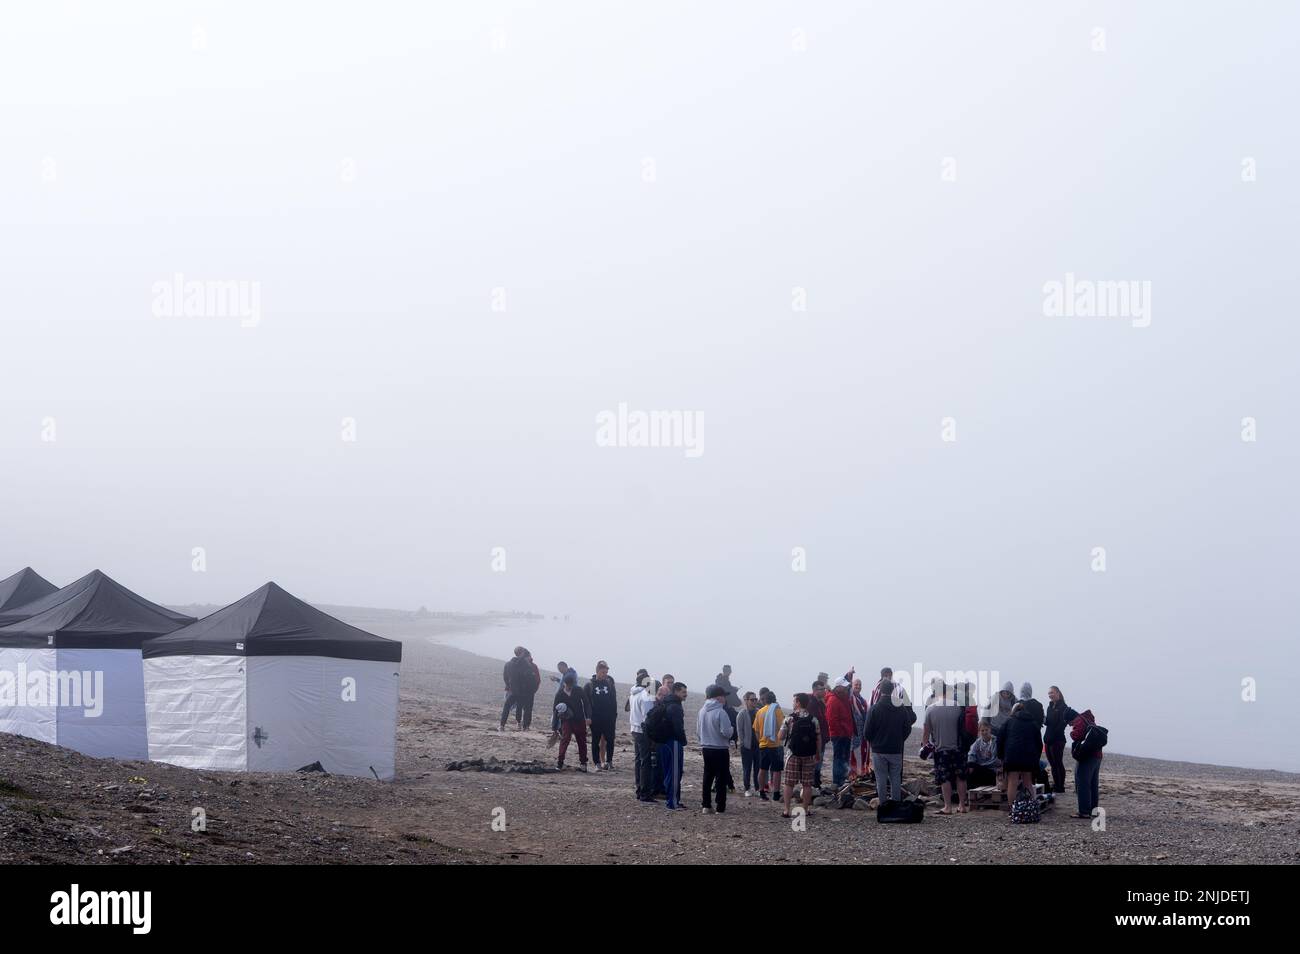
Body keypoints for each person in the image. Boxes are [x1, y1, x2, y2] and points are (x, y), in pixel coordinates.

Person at [862, 681, 915, 803]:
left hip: (879, 750)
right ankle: (895, 805)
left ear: (880, 691)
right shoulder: (900, 708)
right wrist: (900, 740)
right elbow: (907, 727)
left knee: (881, 779)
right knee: (895, 778)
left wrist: (874, 742)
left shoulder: (875, 708)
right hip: (895, 749)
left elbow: (867, 732)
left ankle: (883, 805)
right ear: (893, 691)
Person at [922, 682, 968, 814]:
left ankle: (948, 807)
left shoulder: (930, 709)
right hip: (959, 748)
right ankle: (962, 805)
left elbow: (926, 732)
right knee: (961, 777)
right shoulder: (958, 707)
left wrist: (925, 747)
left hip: (941, 749)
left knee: (945, 778)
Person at [778, 692, 822, 819]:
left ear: (798, 703)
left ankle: (786, 810)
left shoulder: (789, 718)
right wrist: (817, 754)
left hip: (793, 754)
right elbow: (818, 738)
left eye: (794, 701)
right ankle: (805, 809)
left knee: (789, 783)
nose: (793, 703)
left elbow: (780, 737)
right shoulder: (813, 719)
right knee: (807, 784)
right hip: (808, 755)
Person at [998, 699, 1044, 811]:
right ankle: (1032, 807)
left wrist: (1001, 756)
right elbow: (1039, 743)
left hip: (1012, 757)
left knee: (1012, 782)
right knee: (1028, 782)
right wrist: (1036, 758)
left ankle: (1012, 809)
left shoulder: (1008, 721)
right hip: (1028, 758)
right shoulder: (1033, 723)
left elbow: (1000, 739)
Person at [698, 685, 733, 814]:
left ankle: (706, 805)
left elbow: (698, 731)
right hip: (720, 748)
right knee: (721, 777)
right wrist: (732, 730)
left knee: (707, 776)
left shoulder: (702, 710)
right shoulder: (720, 712)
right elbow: (726, 732)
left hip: (706, 747)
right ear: (718, 697)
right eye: (724, 696)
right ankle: (720, 806)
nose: (725, 699)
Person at [553, 670, 591, 771]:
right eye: (568, 685)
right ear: (564, 683)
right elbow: (555, 709)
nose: (569, 687)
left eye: (571, 685)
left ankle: (583, 763)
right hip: (567, 720)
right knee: (565, 739)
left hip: (579, 720)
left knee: (581, 741)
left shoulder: (578, 690)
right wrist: (554, 726)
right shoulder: (560, 693)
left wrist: (588, 717)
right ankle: (560, 762)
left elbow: (586, 703)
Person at [1043, 686, 1078, 794]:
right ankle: (1056, 784)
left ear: (1058, 693)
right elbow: (1048, 722)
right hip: (1048, 740)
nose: (1050, 695)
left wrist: (1053, 735)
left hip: (1058, 740)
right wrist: (1043, 719)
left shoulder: (1063, 707)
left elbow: (1062, 724)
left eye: (1052, 693)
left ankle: (1060, 786)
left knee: (1058, 763)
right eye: (1049, 693)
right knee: (1052, 764)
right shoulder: (1049, 706)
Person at [629, 670, 658, 801]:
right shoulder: (645, 695)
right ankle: (645, 792)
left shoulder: (633, 693)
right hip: (643, 730)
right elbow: (649, 716)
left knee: (638, 760)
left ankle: (639, 788)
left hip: (634, 729)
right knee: (645, 762)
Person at [585, 661, 618, 771]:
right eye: (603, 672)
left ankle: (609, 761)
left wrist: (614, 716)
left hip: (609, 718)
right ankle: (597, 763)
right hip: (596, 718)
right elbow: (586, 703)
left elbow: (613, 701)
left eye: (606, 672)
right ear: (598, 671)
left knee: (610, 740)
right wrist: (587, 717)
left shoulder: (609, 684)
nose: (605, 674)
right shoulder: (590, 685)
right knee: (595, 740)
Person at [1070, 709, 1103, 819]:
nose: (1069, 725)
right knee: (1093, 784)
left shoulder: (1079, 720)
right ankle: (1094, 810)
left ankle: (1084, 811)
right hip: (1097, 755)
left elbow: (1077, 735)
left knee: (1083, 783)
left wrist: (1072, 732)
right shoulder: (1089, 719)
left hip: (1087, 755)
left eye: (1069, 723)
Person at [752, 690, 784, 801]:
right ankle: (776, 793)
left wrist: (760, 740)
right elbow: (782, 727)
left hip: (763, 744)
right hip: (775, 744)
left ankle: (761, 792)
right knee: (776, 770)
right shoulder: (777, 710)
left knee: (762, 769)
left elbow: (755, 729)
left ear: (764, 700)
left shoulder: (760, 711)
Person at [825, 676, 856, 788]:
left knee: (844, 758)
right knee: (839, 758)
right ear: (838, 687)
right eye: (844, 687)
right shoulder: (833, 700)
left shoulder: (843, 698)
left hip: (845, 734)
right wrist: (841, 732)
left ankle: (842, 780)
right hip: (839, 735)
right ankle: (837, 782)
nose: (846, 688)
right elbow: (832, 720)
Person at [499, 646, 532, 731]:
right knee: (519, 707)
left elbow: (505, 677)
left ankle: (502, 725)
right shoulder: (525, 664)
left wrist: (509, 686)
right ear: (522, 653)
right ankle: (518, 724)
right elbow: (529, 677)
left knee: (507, 707)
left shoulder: (508, 664)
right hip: (522, 690)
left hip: (513, 689)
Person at [735, 691, 761, 796]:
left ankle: (758, 788)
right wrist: (743, 743)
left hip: (758, 745)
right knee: (747, 768)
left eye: (756, 699)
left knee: (758, 768)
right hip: (746, 746)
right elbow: (739, 730)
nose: (754, 701)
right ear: (746, 701)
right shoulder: (741, 714)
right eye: (752, 699)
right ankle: (747, 788)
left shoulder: (759, 712)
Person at [966, 719, 1001, 787]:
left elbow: (995, 761)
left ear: (990, 729)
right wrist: (971, 764)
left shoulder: (995, 741)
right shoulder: (977, 742)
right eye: (982, 730)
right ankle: (967, 794)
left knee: (976, 770)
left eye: (986, 730)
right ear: (979, 732)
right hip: (981, 768)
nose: (984, 732)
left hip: (992, 770)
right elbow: (971, 754)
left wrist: (981, 765)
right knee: (968, 768)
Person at [807, 681, 830, 787]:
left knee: (819, 761)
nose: (824, 691)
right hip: (816, 739)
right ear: (815, 690)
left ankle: (816, 780)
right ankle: (813, 783)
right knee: (816, 761)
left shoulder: (820, 703)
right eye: (822, 689)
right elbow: (813, 722)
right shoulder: (811, 704)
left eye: (825, 689)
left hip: (823, 737)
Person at [849, 677, 869, 777]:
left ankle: (860, 773)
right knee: (853, 754)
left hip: (862, 732)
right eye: (856, 684)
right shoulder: (850, 698)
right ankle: (853, 775)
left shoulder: (863, 701)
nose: (858, 687)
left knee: (862, 753)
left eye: (859, 685)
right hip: (853, 732)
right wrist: (849, 675)